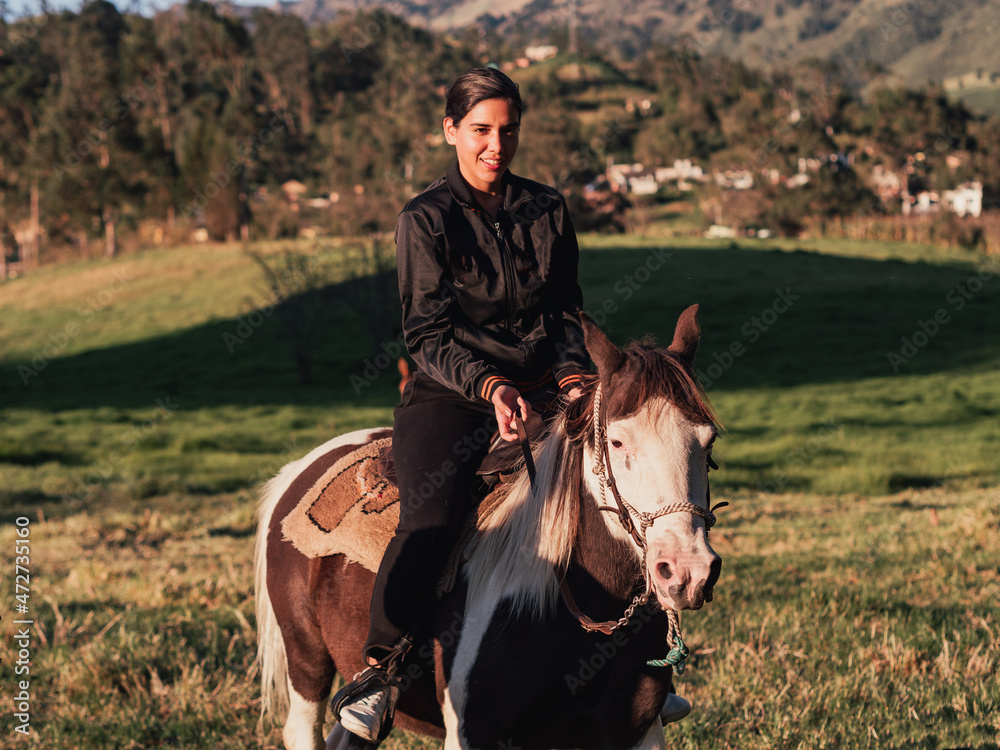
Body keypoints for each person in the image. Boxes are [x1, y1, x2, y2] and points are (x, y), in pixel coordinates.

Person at [335, 67, 689, 741]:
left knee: (619, 491)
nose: (496, 145)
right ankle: (379, 675)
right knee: (433, 515)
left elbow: (563, 315)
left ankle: (646, 670)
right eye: (481, 131)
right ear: (451, 132)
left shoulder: (548, 209)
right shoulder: (425, 219)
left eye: (508, 131)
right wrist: (490, 387)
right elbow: (427, 334)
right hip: (451, 396)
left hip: (545, 391)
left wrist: (570, 382)